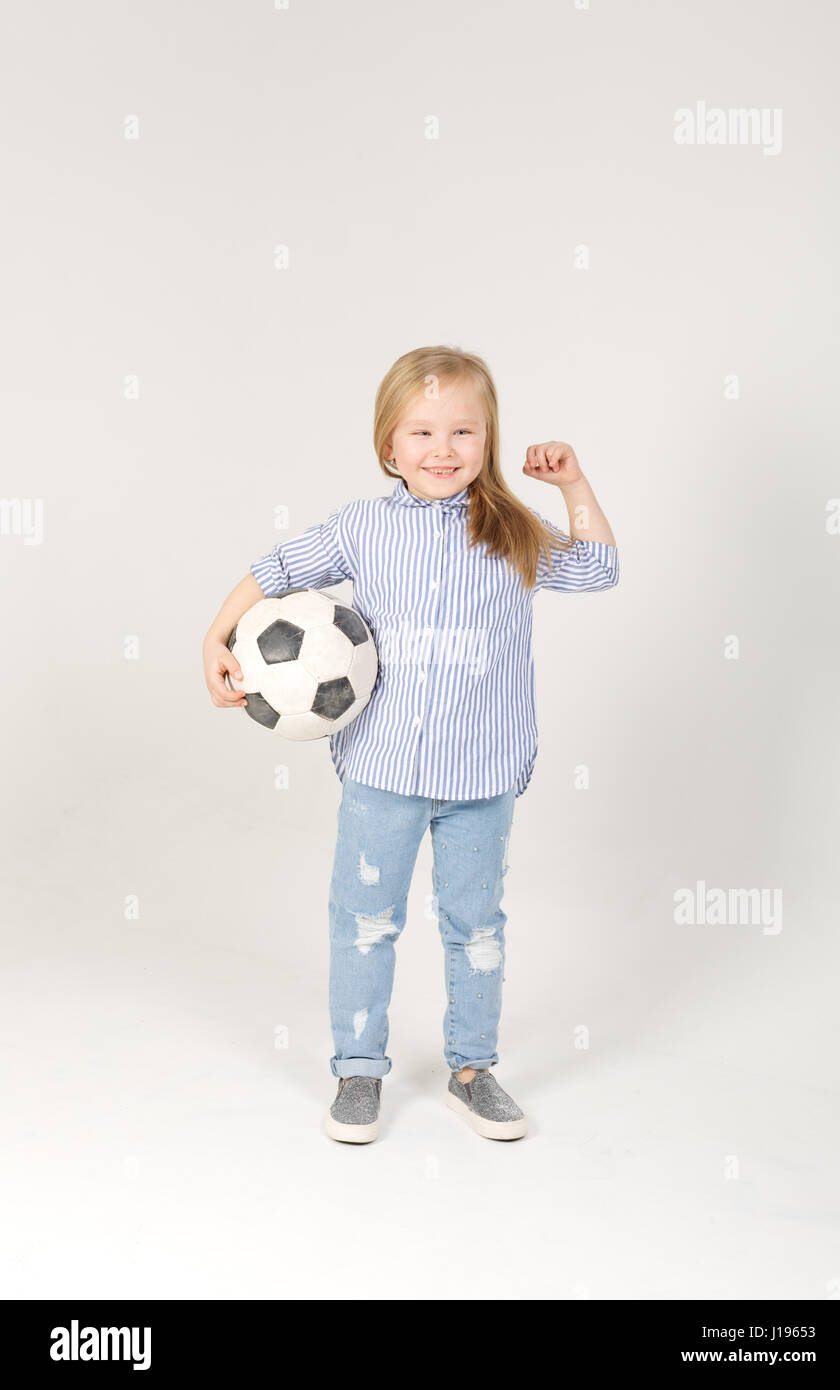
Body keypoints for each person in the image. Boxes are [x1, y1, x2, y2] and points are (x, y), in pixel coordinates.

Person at [202, 344, 619, 1144]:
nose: (443, 449)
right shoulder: (360, 529)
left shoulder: (511, 530)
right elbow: (275, 568)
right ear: (388, 445)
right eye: (421, 432)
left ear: (487, 442)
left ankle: (473, 1070)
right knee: (364, 920)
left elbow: (598, 571)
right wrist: (214, 636)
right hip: (384, 772)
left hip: (482, 774)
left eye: (464, 431)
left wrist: (572, 484)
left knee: (478, 924)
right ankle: (358, 1072)